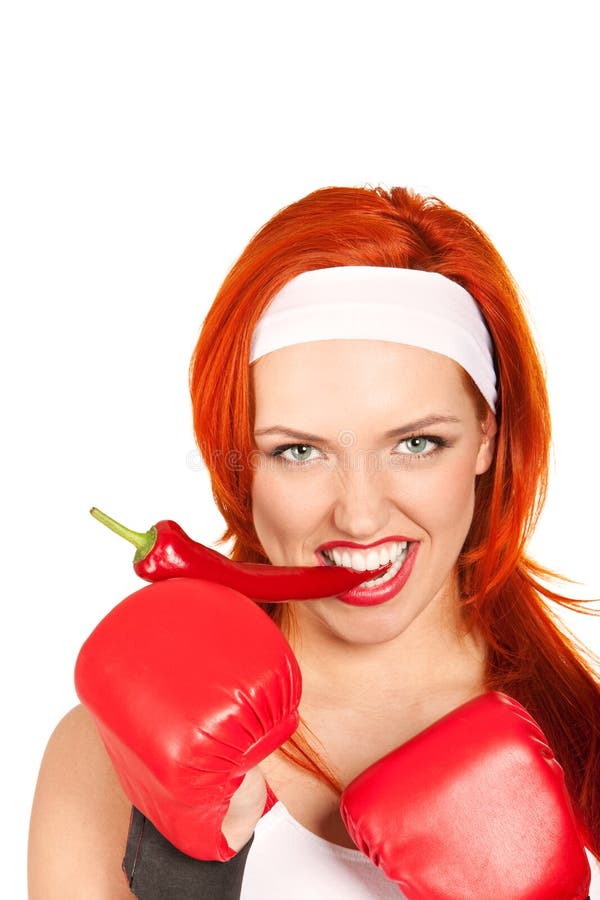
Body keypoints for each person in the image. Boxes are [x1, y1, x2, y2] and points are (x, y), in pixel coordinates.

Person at [28, 186, 600, 899]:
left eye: (418, 442)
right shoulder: (109, 758)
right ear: (236, 456)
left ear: (489, 435)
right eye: (299, 451)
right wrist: (185, 877)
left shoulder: (587, 742)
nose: (360, 518)